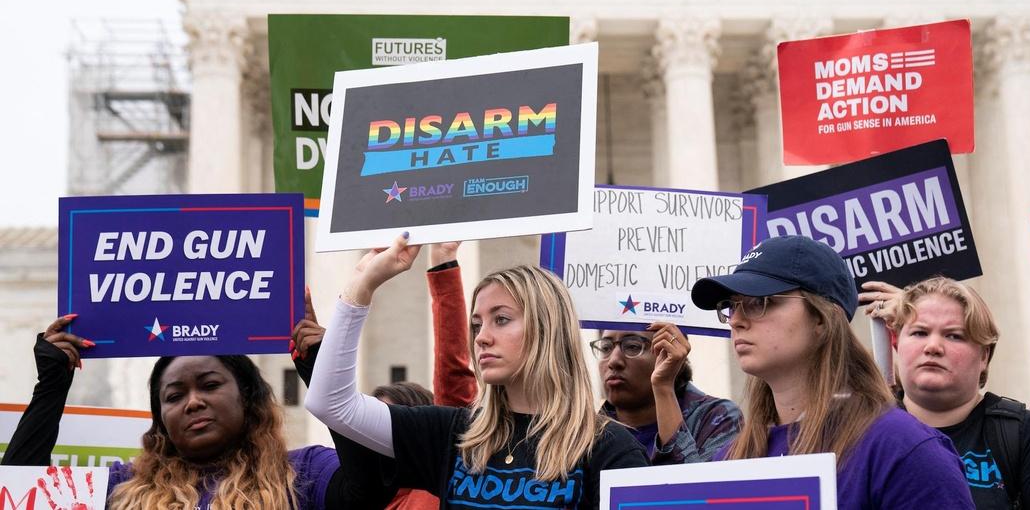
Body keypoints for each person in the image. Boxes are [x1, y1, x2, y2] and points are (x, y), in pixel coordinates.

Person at [304, 234, 647, 510]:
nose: (481, 337)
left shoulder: (608, 448)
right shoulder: (454, 434)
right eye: (477, 324)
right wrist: (362, 285)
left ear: (547, 329)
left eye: (501, 319)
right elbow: (331, 404)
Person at [2, 289, 399, 510]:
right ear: (161, 419)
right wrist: (51, 387)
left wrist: (321, 370)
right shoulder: (122, 487)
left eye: (209, 385)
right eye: (174, 396)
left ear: (248, 398)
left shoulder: (304, 473)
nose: (192, 402)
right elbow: (18, 493)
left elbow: (369, 491)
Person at [689, 235, 973, 509]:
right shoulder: (728, 461)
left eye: (760, 302)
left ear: (822, 319)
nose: (736, 320)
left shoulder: (901, 448)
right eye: (731, 306)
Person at [292, 242, 478, 510]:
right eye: (366, 424)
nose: (370, 438)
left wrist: (443, 264)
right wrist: (317, 357)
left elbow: (453, 375)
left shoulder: (440, 484)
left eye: (381, 426)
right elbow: (339, 413)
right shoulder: (360, 493)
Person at [868, 276, 1030, 509]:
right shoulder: (859, 433)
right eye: (919, 332)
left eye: (953, 335)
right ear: (896, 343)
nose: (933, 346)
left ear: (984, 356)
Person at [592, 323, 741, 463]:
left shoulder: (717, 418)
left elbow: (694, 482)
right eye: (605, 348)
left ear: (671, 351)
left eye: (632, 346)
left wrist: (663, 387)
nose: (613, 361)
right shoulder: (586, 434)